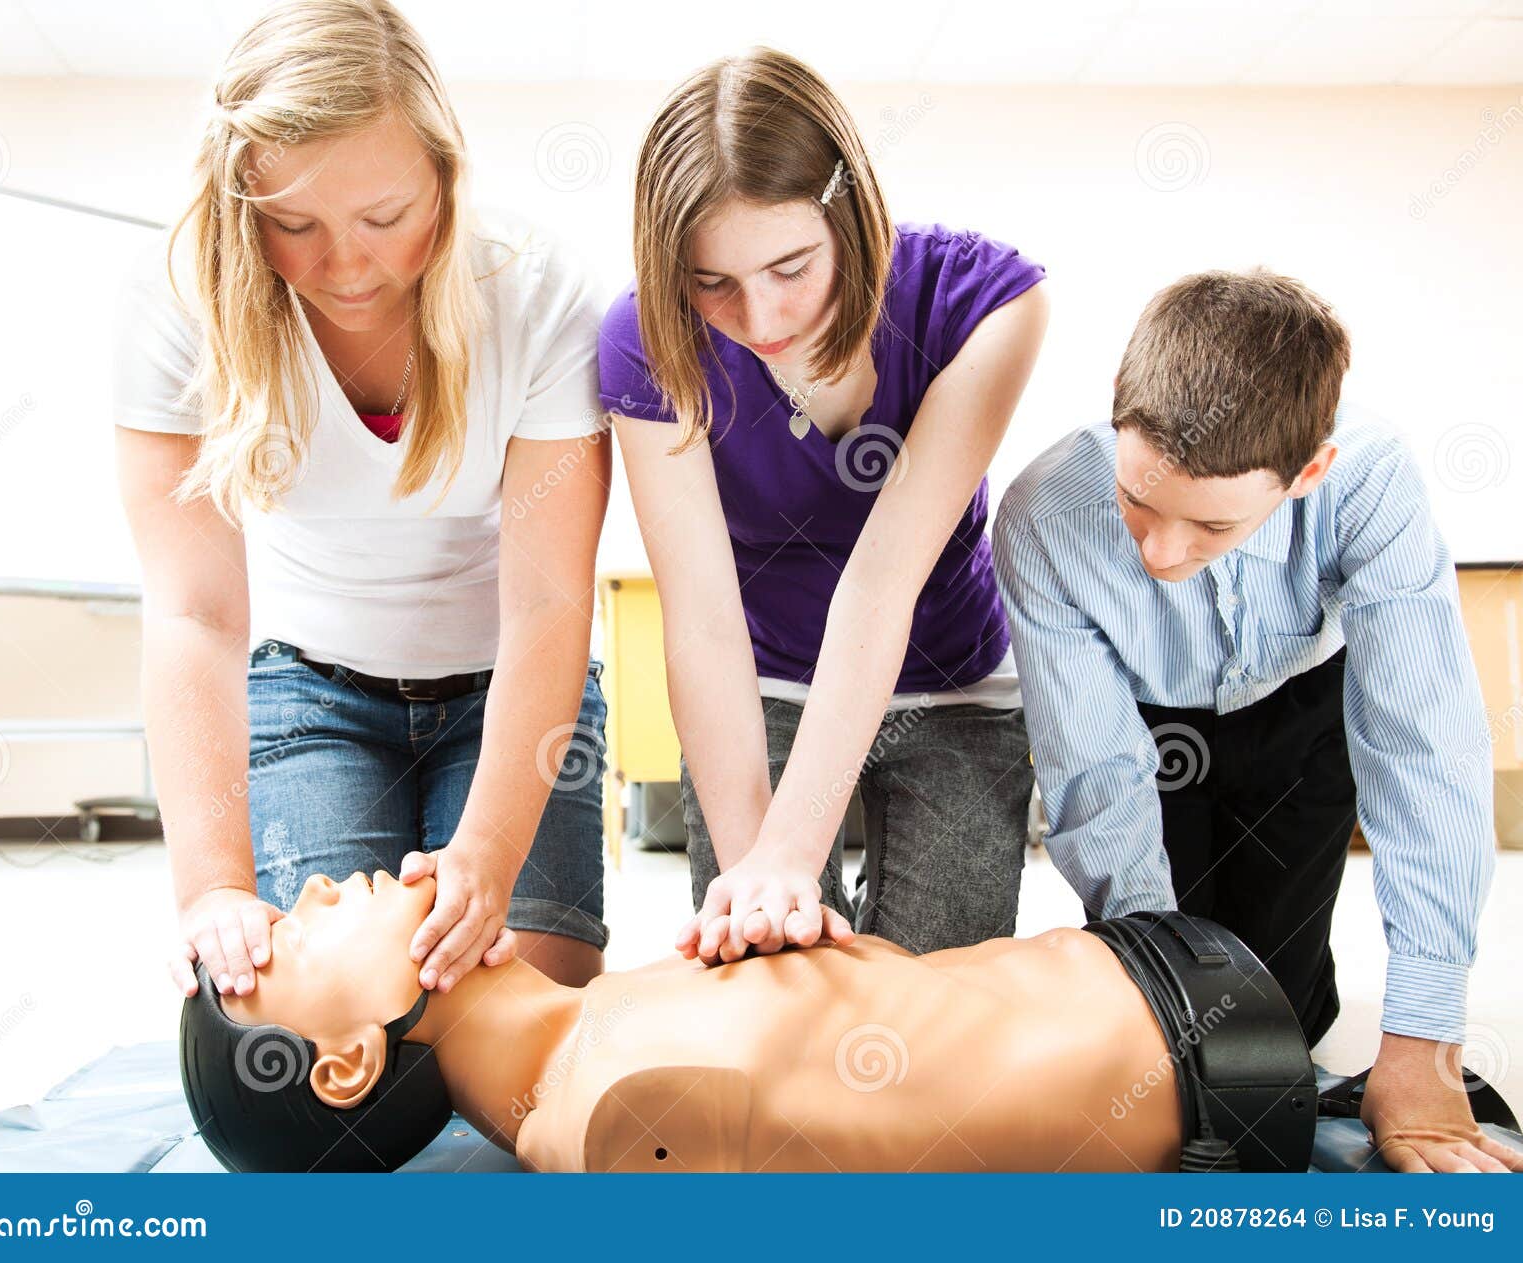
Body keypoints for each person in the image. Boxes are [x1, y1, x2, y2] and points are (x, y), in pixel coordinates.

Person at [114, 0, 611, 1004]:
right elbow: (194, 614)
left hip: (499, 684)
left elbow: (552, 605)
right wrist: (213, 887)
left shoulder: (537, 291)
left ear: (445, 172)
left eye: (384, 218)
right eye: (293, 224)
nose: (346, 267)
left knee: (513, 1006)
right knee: (315, 1003)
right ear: (241, 206)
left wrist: (487, 853)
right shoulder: (179, 304)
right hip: (310, 691)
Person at [993, 267, 1505, 1174]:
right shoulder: (1046, 511)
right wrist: (1161, 1001)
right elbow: (1096, 771)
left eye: (1211, 527)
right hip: (1146, 727)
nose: (1159, 553)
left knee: (1279, 1013)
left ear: (1307, 474)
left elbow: (1421, 745)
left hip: (1299, 712)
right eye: (1139, 504)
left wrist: (1426, 1041)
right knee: (1183, 1012)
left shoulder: (1370, 484)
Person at [599, 48, 1049, 968]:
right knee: (765, 971)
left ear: (847, 214)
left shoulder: (982, 304)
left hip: (952, 680)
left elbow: (881, 585)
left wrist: (797, 852)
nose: (761, 319)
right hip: (762, 683)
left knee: (928, 998)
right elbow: (703, 621)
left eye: (791, 266)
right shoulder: (644, 339)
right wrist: (763, 866)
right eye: (711, 282)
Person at [180, 868, 1353, 1173]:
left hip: (1162, 974)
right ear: (343, 1066)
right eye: (291, 934)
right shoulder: (617, 1121)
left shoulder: (603, 1024)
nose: (322, 891)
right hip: (1211, 1067)